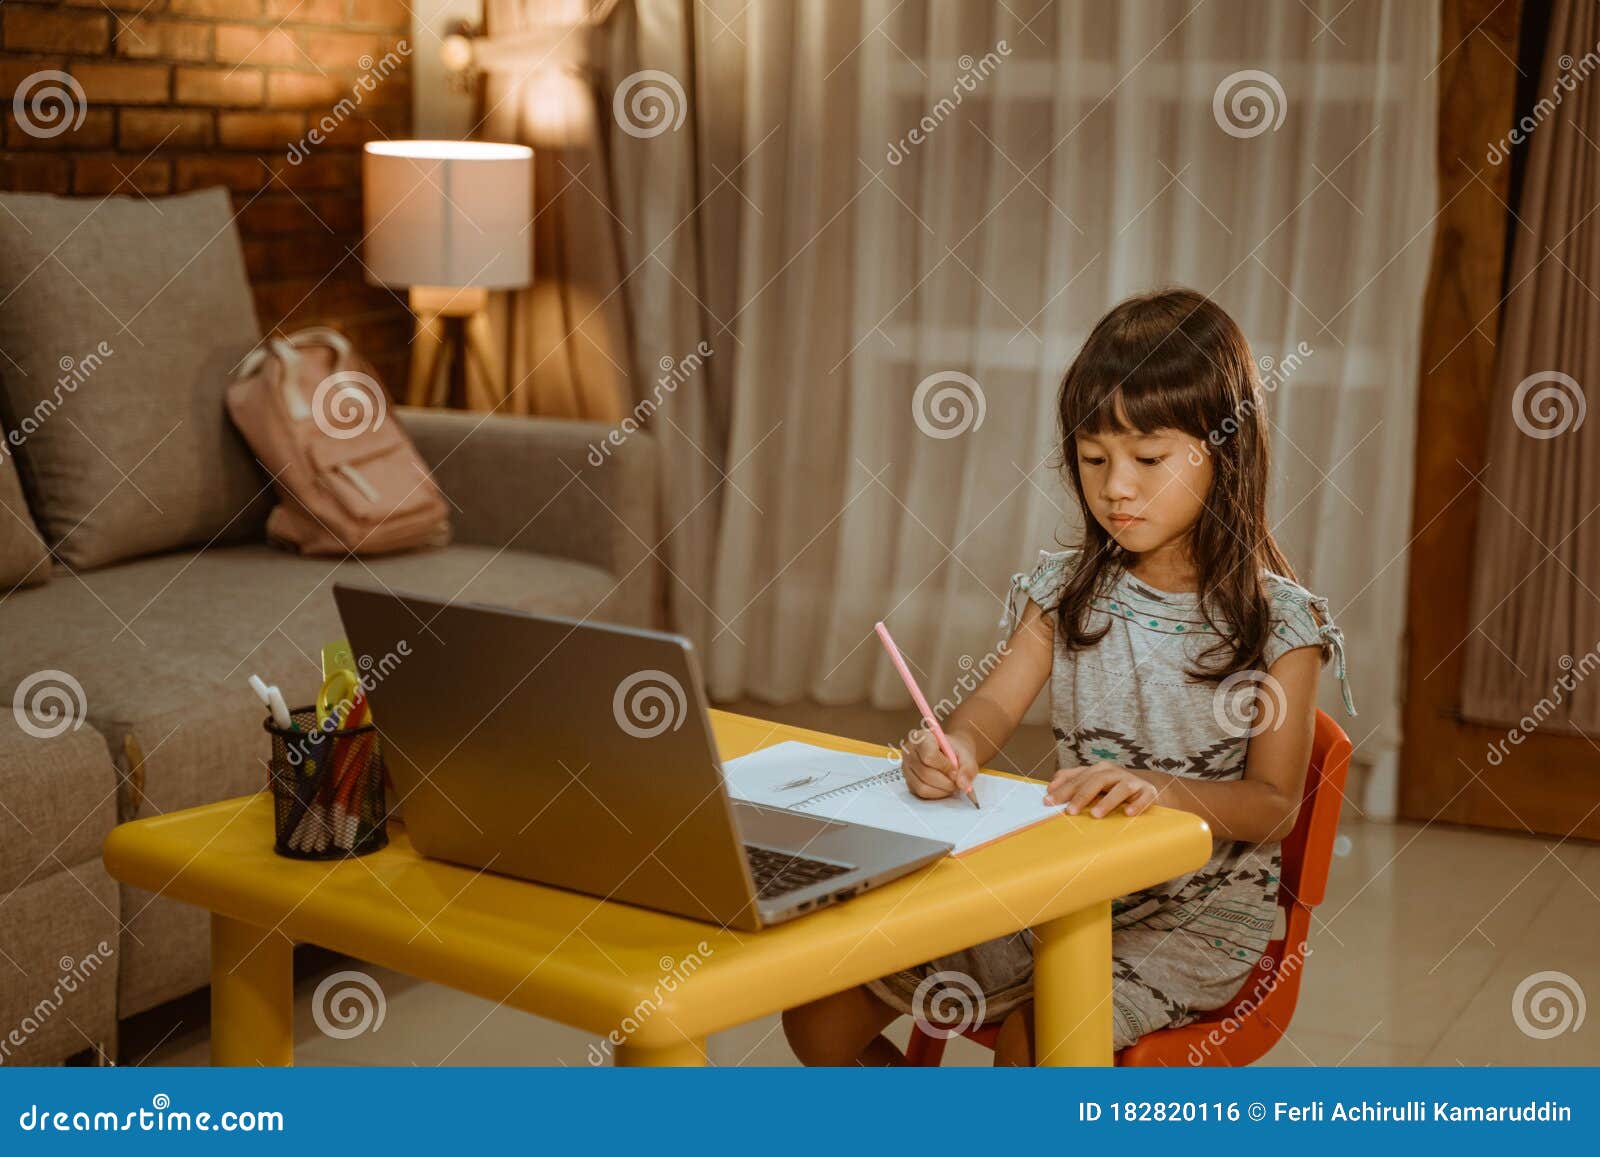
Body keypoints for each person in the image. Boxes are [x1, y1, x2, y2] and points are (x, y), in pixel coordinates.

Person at [782, 288, 1356, 1066]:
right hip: (1060, 887)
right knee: (818, 1001)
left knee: (1041, 1039)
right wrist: (951, 744)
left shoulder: (1281, 624)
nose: (1115, 486)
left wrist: (1156, 788)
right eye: (1093, 458)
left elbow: (1273, 806)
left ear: (1227, 450)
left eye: (1147, 458)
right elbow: (991, 704)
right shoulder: (1064, 589)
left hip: (1193, 920)